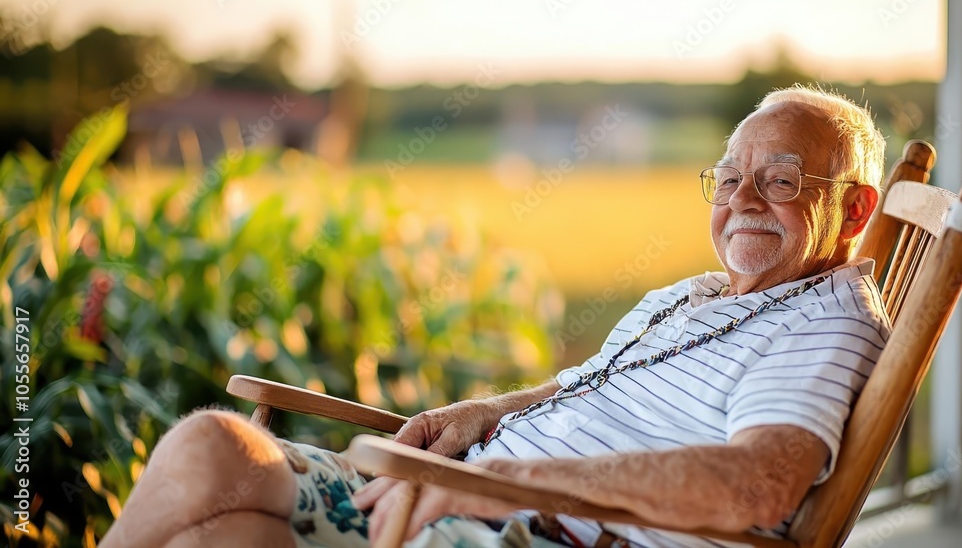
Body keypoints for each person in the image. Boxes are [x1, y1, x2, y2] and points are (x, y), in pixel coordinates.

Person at [101, 85, 889, 548]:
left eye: (781, 183)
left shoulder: (824, 320)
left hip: (523, 532)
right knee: (221, 528)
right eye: (728, 179)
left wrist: (505, 482)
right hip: (468, 500)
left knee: (214, 453)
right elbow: (589, 386)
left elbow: (757, 487)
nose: (742, 201)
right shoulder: (698, 296)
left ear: (854, 208)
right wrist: (491, 411)